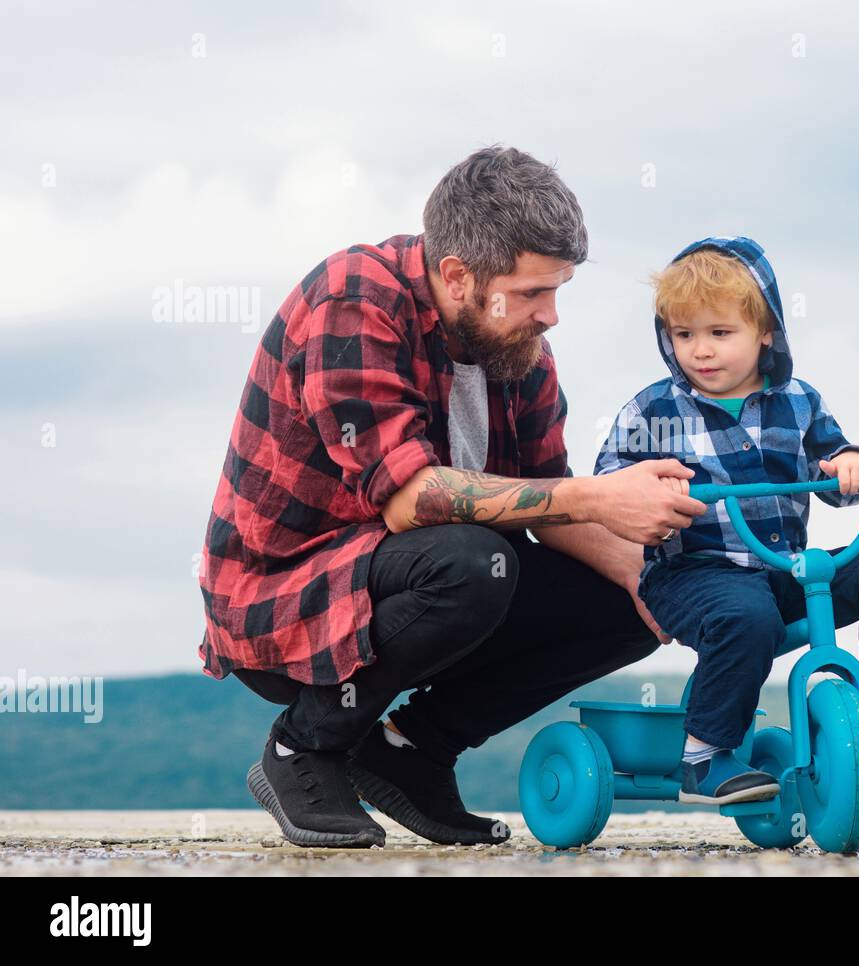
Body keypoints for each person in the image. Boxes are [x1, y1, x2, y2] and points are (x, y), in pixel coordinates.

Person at [197, 146, 706, 848]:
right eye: (532, 294)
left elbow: (552, 508)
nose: (550, 315)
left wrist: (649, 579)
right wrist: (596, 497)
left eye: (557, 291)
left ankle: (411, 752)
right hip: (288, 601)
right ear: (458, 275)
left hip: (416, 583)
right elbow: (410, 500)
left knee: (637, 599)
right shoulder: (353, 298)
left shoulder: (518, 353)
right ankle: (303, 746)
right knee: (473, 562)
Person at [594, 236, 859, 806]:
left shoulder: (798, 401)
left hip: (782, 571)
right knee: (746, 615)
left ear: (765, 330)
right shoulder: (653, 410)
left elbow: (836, 464)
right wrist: (651, 492)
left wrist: (852, 465)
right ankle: (703, 756)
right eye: (684, 334)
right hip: (693, 575)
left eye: (720, 333)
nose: (700, 351)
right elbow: (609, 482)